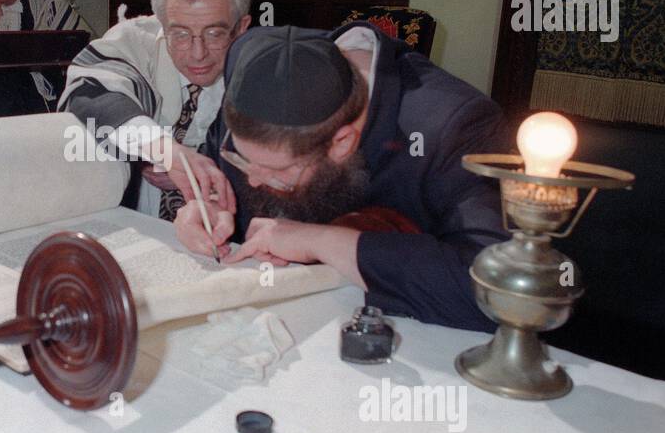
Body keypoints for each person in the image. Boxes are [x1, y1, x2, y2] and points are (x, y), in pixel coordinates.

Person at [174, 23, 510, 331]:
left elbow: (496, 295)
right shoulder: (251, 58)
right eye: (244, 159)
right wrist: (212, 204)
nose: (253, 182)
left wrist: (319, 241)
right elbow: (224, 153)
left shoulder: (454, 127)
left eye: (278, 172)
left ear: (342, 142)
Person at [58, 0, 250, 219]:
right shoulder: (138, 42)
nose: (198, 54)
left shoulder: (262, 69)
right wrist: (163, 148)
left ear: (241, 28)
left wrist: (206, 168)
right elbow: (90, 95)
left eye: (214, 33)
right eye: (180, 34)